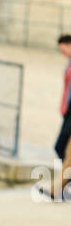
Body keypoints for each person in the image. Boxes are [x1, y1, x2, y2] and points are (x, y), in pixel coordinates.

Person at [53, 33, 71, 162]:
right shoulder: (69, 63)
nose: (62, 53)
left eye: (63, 50)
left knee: (60, 146)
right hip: (68, 109)